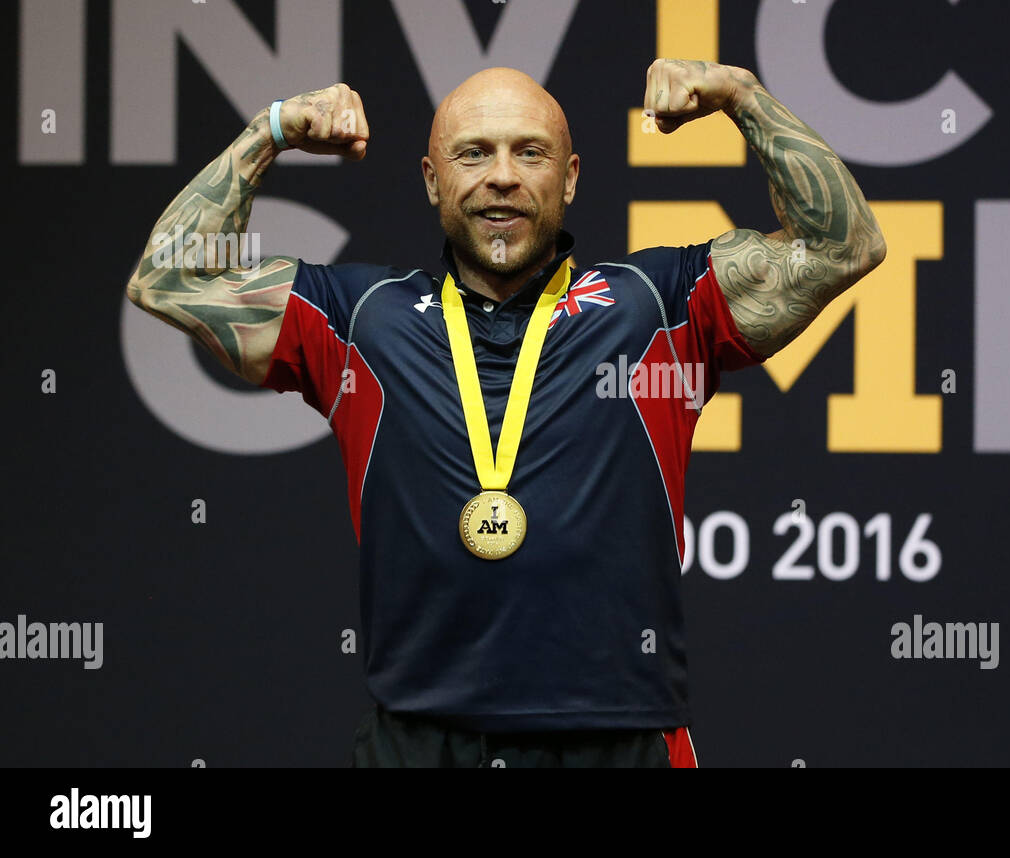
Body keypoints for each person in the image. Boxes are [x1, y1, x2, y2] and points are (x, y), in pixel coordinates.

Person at [125, 60, 886, 767]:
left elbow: (842, 244)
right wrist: (275, 128)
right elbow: (168, 277)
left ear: (571, 177)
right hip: (419, 745)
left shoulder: (660, 305)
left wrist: (739, 96)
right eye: (472, 154)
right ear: (430, 179)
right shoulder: (360, 318)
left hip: (621, 743)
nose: (501, 178)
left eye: (529, 153)